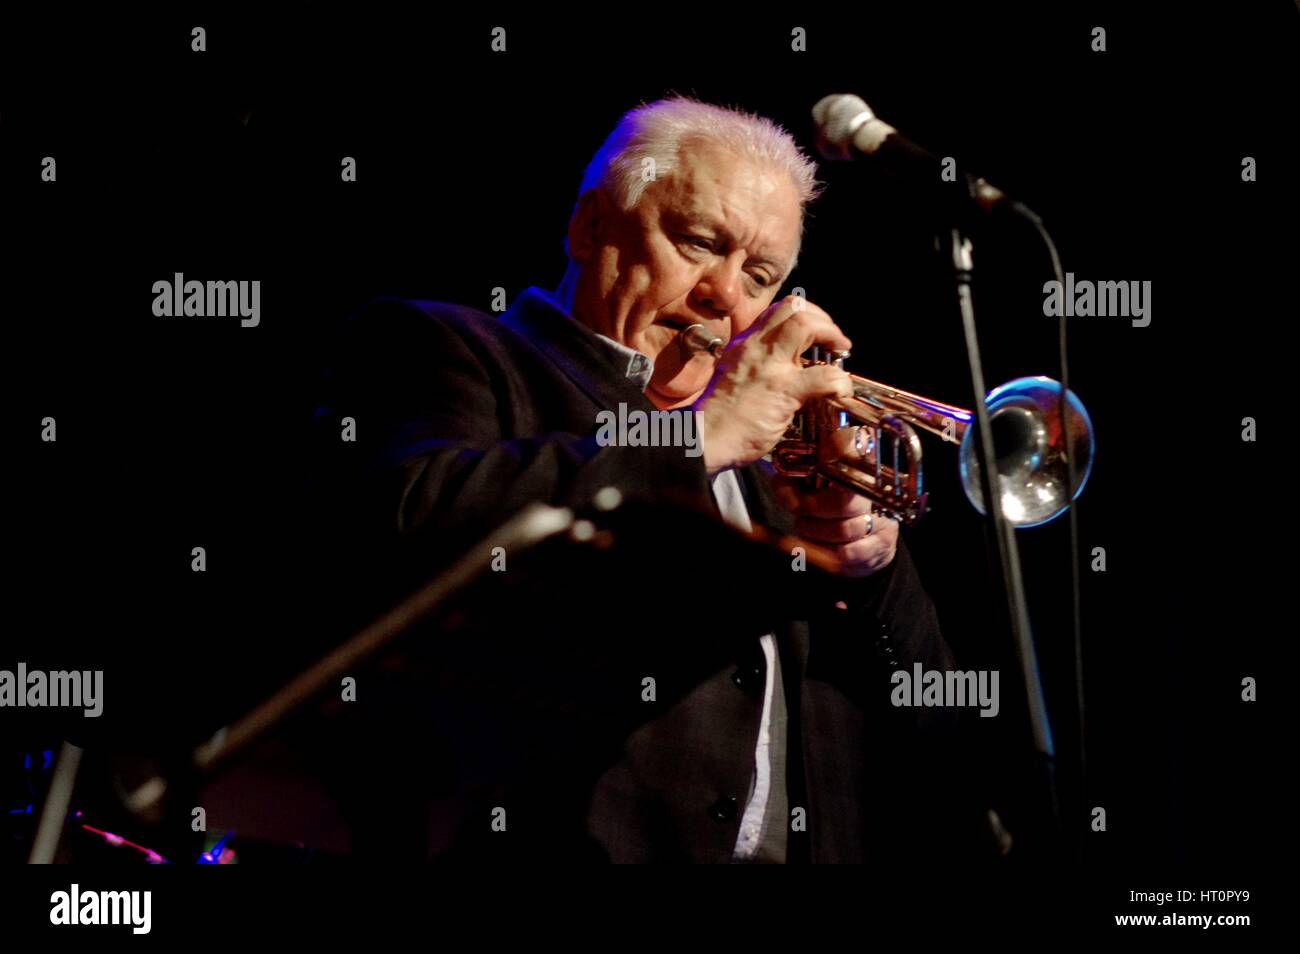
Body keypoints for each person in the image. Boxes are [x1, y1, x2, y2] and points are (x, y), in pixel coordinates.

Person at [314, 96, 963, 863]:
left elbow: (939, 734)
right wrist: (699, 434)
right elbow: (405, 530)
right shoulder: (446, 348)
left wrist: (872, 568)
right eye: (698, 242)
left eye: (759, 275)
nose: (725, 297)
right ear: (590, 227)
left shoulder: (787, 463)